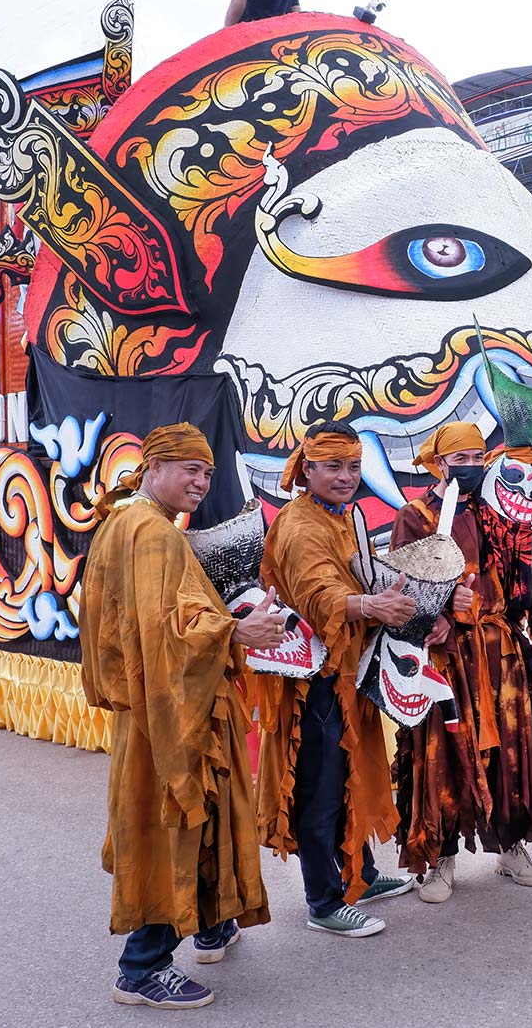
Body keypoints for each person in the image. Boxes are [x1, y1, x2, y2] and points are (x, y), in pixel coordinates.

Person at [80, 423, 284, 1010]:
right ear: (154, 467)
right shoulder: (154, 536)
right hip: (168, 715)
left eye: (207, 472)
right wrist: (236, 631)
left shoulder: (124, 524)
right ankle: (141, 969)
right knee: (175, 819)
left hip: (148, 710)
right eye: (189, 469)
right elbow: (164, 635)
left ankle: (213, 920)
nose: (200, 481)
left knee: (193, 814)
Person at [253, 422, 421, 941]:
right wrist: (372, 604)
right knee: (321, 786)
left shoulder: (338, 514)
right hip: (313, 680)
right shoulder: (302, 524)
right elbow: (318, 598)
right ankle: (323, 899)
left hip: (342, 668)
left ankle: (360, 876)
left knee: (347, 770)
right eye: (333, 467)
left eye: (353, 466)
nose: (346, 477)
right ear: (307, 469)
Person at [391, 422, 532, 902]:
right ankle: (440, 858)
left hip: (500, 652)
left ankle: (513, 846)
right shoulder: (415, 516)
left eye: (479, 457)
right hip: (445, 659)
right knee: (444, 755)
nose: (470, 465)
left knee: (511, 750)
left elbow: (521, 575)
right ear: (439, 463)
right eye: (460, 457)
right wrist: (438, 609)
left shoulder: (496, 510)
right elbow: (402, 585)